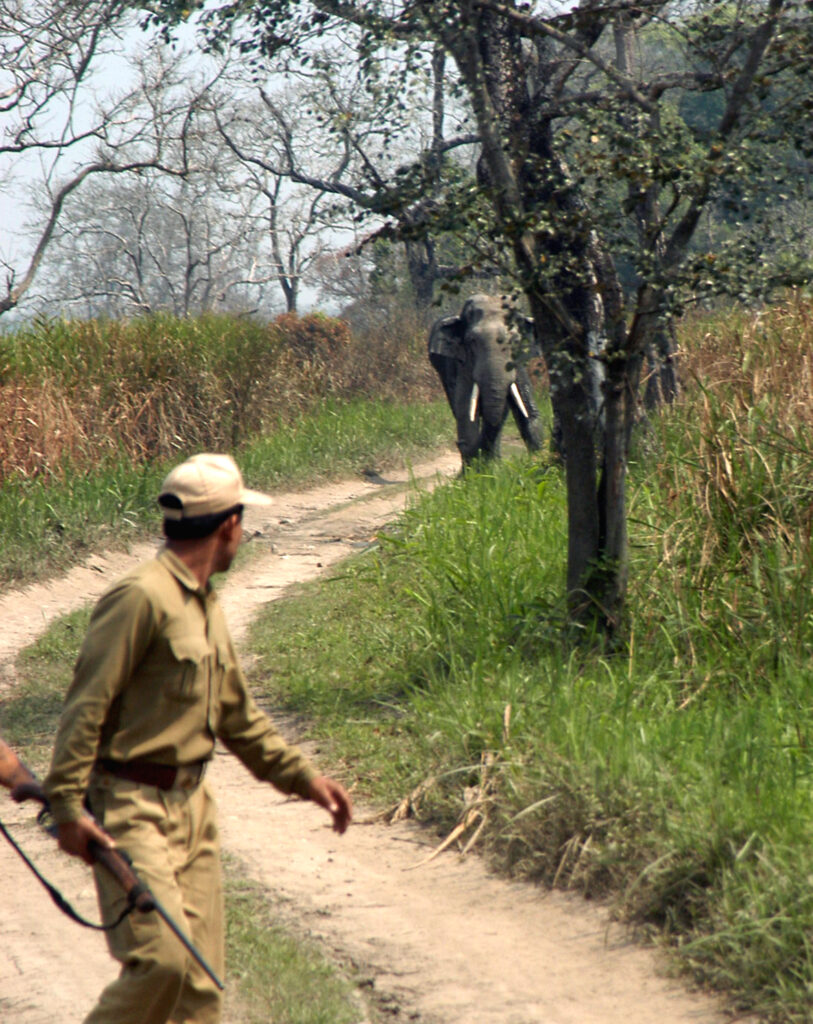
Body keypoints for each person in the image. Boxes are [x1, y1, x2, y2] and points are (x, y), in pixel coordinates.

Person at [44, 452, 353, 1024]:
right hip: (131, 810)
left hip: (193, 811)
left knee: (201, 993)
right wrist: (65, 805)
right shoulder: (140, 597)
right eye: (243, 521)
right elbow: (87, 705)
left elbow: (237, 716)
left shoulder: (205, 602)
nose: (244, 533)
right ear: (229, 524)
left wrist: (304, 778)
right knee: (162, 963)